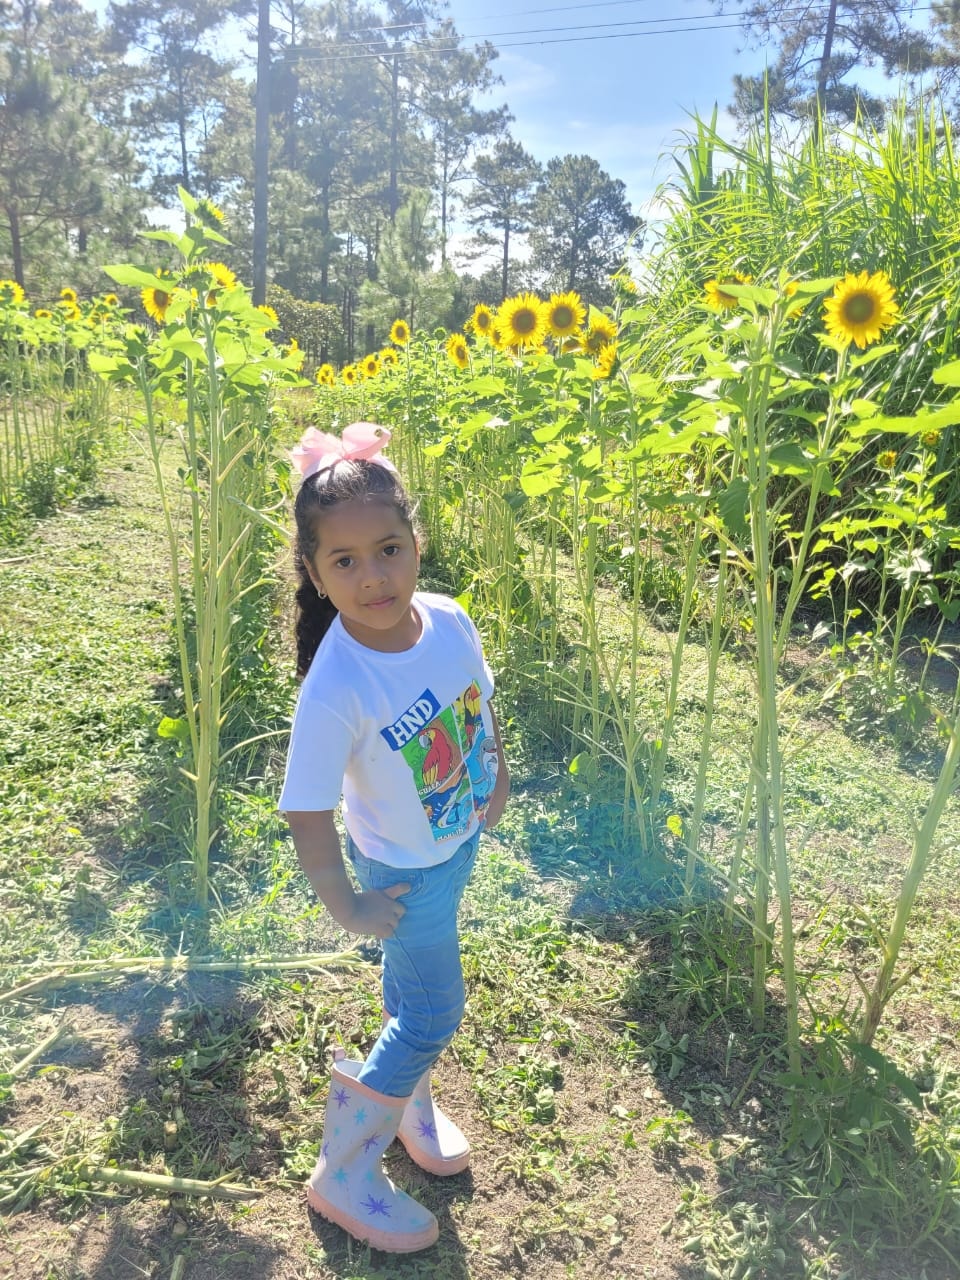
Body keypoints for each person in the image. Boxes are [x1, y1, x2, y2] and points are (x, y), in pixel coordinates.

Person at [279, 421, 509, 1253]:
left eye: (387, 548)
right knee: (434, 1010)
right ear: (314, 573)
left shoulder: (447, 618)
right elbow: (307, 809)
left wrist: (496, 772)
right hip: (401, 876)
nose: (373, 576)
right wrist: (345, 900)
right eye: (344, 562)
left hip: (455, 847)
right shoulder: (336, 683)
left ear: (415, 540)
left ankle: (407, 1103)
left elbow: (477, 701)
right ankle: (343, 1170)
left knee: (414, 998)